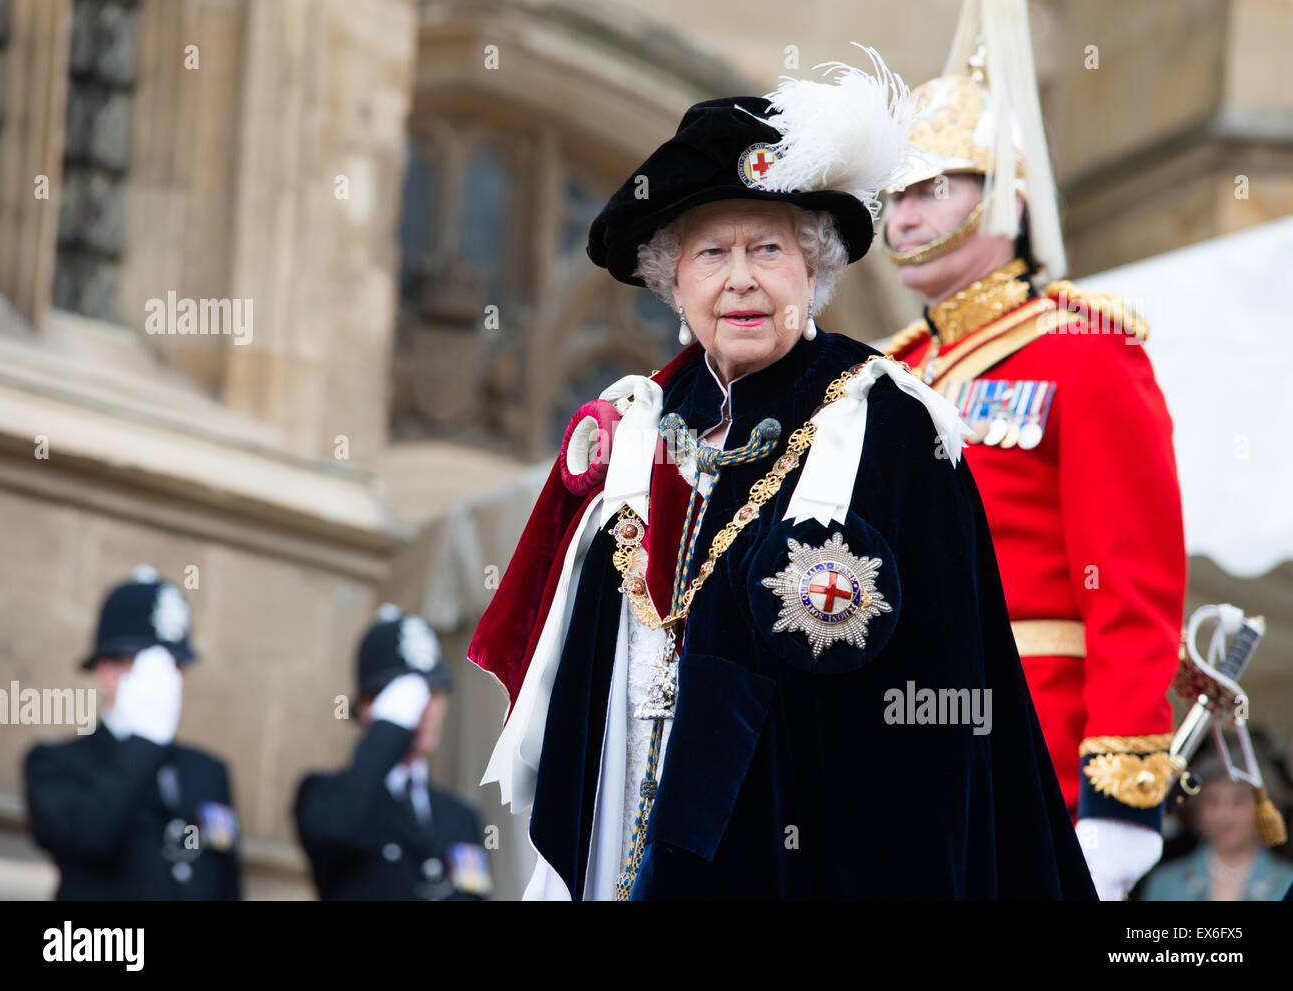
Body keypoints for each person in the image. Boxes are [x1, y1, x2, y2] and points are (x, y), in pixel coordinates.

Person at [469, 44, 1096, 900]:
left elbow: (943, 710)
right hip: (628, 815)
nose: (740, 281)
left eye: (767, 248)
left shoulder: (892, 423)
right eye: (709, 255)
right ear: (672, 282)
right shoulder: (640, 425)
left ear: (813, 266)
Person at [880, 0, 1187, 901]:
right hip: (893, 750)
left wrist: (1119, 799)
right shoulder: (889, 372)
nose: (907, 214)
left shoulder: (1088, 351)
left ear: (1006, 191)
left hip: (1032, 753)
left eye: (935, 186)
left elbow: (1134, 586)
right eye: (898, 191)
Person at [23, 566, 241, 900]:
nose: (168, 684)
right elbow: (90, 839)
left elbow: (225, 884)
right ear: (107, 671)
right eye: (150, 669)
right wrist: (144, 740)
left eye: (175, 669)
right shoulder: (55, 764)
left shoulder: (207, 771)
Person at [294, 605, 491, 900]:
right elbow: (334, 830)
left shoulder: (459, 816)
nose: (425, 710)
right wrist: (390, 729)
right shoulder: (326, 796)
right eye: (411, 696)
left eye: (434, 694)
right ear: (368, 706)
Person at [1140, 755, 1293, 901]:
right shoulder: (1166, 883)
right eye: (1213, 801)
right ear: (1198, 811)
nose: (1225, 814)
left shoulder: (1288, 882)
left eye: (1238, 801)